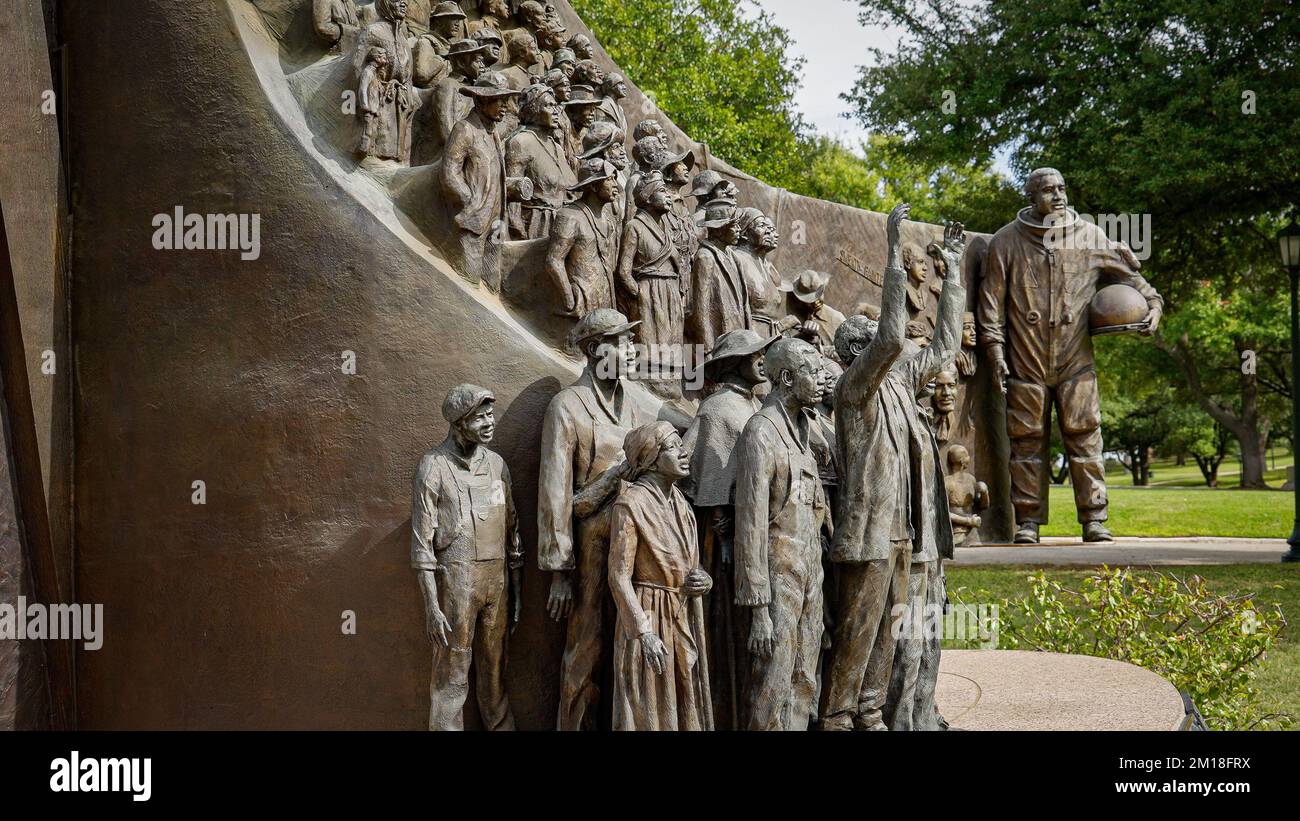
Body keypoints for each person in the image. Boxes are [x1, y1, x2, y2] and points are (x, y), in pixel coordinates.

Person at [820, 209, 966, 731]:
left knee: (889, 633)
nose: (900, 345)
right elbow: (888, 339)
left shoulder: (901, 386)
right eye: (883, 342)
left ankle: (870, 713)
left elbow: (947, 345)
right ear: (857, 352)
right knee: (859, 636)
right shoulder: (853, 391)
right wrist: (893, 257)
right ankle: (837, 715)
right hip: (868, 537)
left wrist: (953, 270)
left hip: (905, 535)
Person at [978, 168, 1163, 544]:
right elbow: (991, 306)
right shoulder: (1005, 243)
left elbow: (1136, 283)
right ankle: (1027, 522)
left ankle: (1094, 518)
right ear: (1031, 197)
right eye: (1048, 190)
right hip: (1025, 362)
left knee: (1085, 438)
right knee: (1026, 442)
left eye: (1062, 188)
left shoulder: (1091, 236)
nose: (1058, 195)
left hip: (1075, 361)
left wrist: (1154, 307)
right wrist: (995, 352)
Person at [538, 309, 648, 731]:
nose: (629, 350)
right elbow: (554, 496)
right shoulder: (567, 406)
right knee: (586, 648)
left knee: (629, 644)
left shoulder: (633, 405)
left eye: (629, 341)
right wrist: (560, 572)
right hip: (590, 544)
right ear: (593, 350)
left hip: (634, 541)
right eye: (619, 342)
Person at [411, 384, 523, 731]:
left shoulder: (497, 465)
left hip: (497, 585)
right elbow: (422, 548)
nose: (489, 423)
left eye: (491, 415)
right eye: (480, 417)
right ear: (459, 423)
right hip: (456, 586)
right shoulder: (433, 467)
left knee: (495, 679)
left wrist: (516, 592)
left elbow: (513, 534)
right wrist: (432, 606)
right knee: (452, 679)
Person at [732, 337, 830, 730]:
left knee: (805, 672)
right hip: (777, 571)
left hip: (810, 566)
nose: (822, 379)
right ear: (787, 378)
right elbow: (750, 524)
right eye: (812, 371)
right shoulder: (761, 431)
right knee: (772, 677)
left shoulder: (806, 428)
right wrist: (758, 609)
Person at [681, 328, 776, 728]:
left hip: (757, 541)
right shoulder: (718, 410)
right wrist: (724, 534)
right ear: (735, 363)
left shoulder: (755, 406)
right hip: (727, 548)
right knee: (731, 641)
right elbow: (710, 483)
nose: (762, 358)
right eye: (753, 354)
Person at [608, 422, 714, 731]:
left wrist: (703, 580)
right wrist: (644, 632)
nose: (684, 453)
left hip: (682, 614)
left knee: (684, 704)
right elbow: (618, 576)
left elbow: (690, 563)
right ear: (652, 458)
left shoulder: (681, 503)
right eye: (673, 447)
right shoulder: (631, 504)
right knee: (649, 708)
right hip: (649, 613)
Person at [439, 72, 520, 289]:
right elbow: (449, 173)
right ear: (481, 100)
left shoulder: (493, 133)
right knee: (468, 280)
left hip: (496, 223)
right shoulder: (465, 129)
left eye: (506, 100)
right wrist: (470, 201)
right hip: (474, 221)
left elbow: (492, 175)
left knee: (491, 282)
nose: (504, 106)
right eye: (498, 101)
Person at [616, 172, 688, 397]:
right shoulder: (635, 227)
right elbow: (623, 270)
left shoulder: (665, 230)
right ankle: (649, 386)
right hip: (649, 292)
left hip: (670, 293)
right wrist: (640, 293)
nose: (668, 197)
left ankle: (671, 386)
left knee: (671, 339)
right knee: (650, 343)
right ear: (647, 197)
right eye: (662, 192)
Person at [546, 158, 621, 317]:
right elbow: (553, 261)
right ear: (593, 185)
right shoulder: (570, 216)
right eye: (609, 179)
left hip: (604, 297)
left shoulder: (607, 219)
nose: (616, 185)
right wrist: (570, 300)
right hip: (582, 300)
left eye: (615, 179)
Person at [355, 0, 422, 165]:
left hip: (399, 97)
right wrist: (373, 91)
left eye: (405, 1)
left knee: (395, 143)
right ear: (385, 3)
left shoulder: (403, 38)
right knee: (379, 139)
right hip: (379, 95)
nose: (403, 4)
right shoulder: (373, 31)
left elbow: (409, 73)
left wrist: (408, 97)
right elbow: (358, 65)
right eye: (397, 1)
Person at [505, 84, 576, 239]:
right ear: (534, 109)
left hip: (561, 226)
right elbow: (512, 194)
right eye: (549, 106)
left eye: (556, 106)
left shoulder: (556, 147)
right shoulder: (521, 142)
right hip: (535, 226)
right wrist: (517, 230)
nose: (556, 111)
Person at [688, 200, 748, 352]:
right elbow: (700, 308)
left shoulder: (733, 257)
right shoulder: (705, 257)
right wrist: (706, 346)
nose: (739, 230)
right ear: (720, 230)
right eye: (734, 226)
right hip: (719, 339)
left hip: (738, 336)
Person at [732, 207, 797, 338]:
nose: (770, 232)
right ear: (745, 233)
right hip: (749, 340)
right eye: (762, 226)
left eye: (771, 229)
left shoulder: (767, 268)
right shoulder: (736, 259)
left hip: (770, 337)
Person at [782, 270, 845, 358]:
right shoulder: (794, 318)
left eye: (819, 296)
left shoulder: (836, 318)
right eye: (810, 300)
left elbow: (846, 353)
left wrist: (820, 347)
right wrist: (804, 336)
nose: (816, 302)